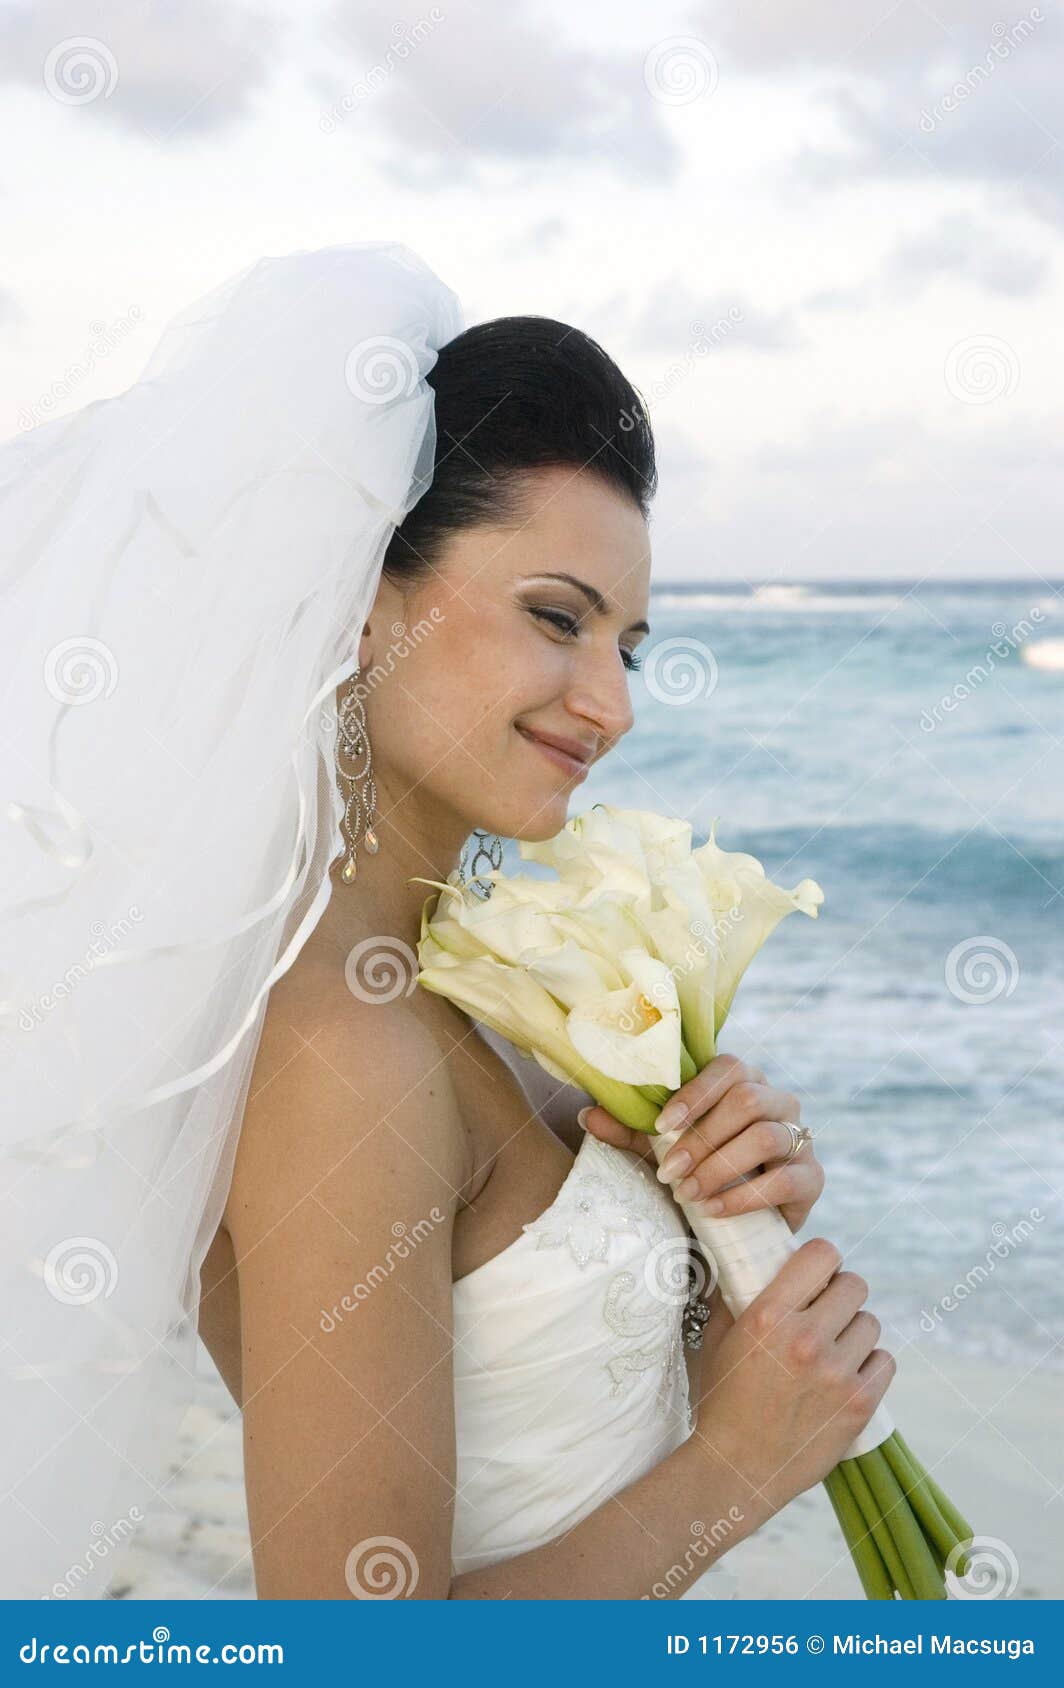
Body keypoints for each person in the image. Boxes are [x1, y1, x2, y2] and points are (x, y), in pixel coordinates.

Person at [1, 243, 893, 1601]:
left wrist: (736, 1249)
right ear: (368, 603)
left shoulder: (469, 986)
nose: (614, 702)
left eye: (631, 644)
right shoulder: (337, 1048)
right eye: (558, 619)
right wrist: (738, 1470)